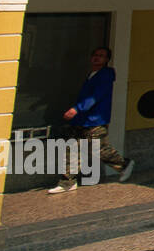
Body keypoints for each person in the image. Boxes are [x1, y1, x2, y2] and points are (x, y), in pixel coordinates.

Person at [49, 47, 135, 194]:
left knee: (98, 148)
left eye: (101, 56)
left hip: (95, 120)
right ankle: (67, 182)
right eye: (95, 55)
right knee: (72, 149)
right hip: (82, 120)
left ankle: (124, 164)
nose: (97, 58)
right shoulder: (92, 74)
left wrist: (77, 108)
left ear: (107, 59)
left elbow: (95, 96)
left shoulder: (105, 75)